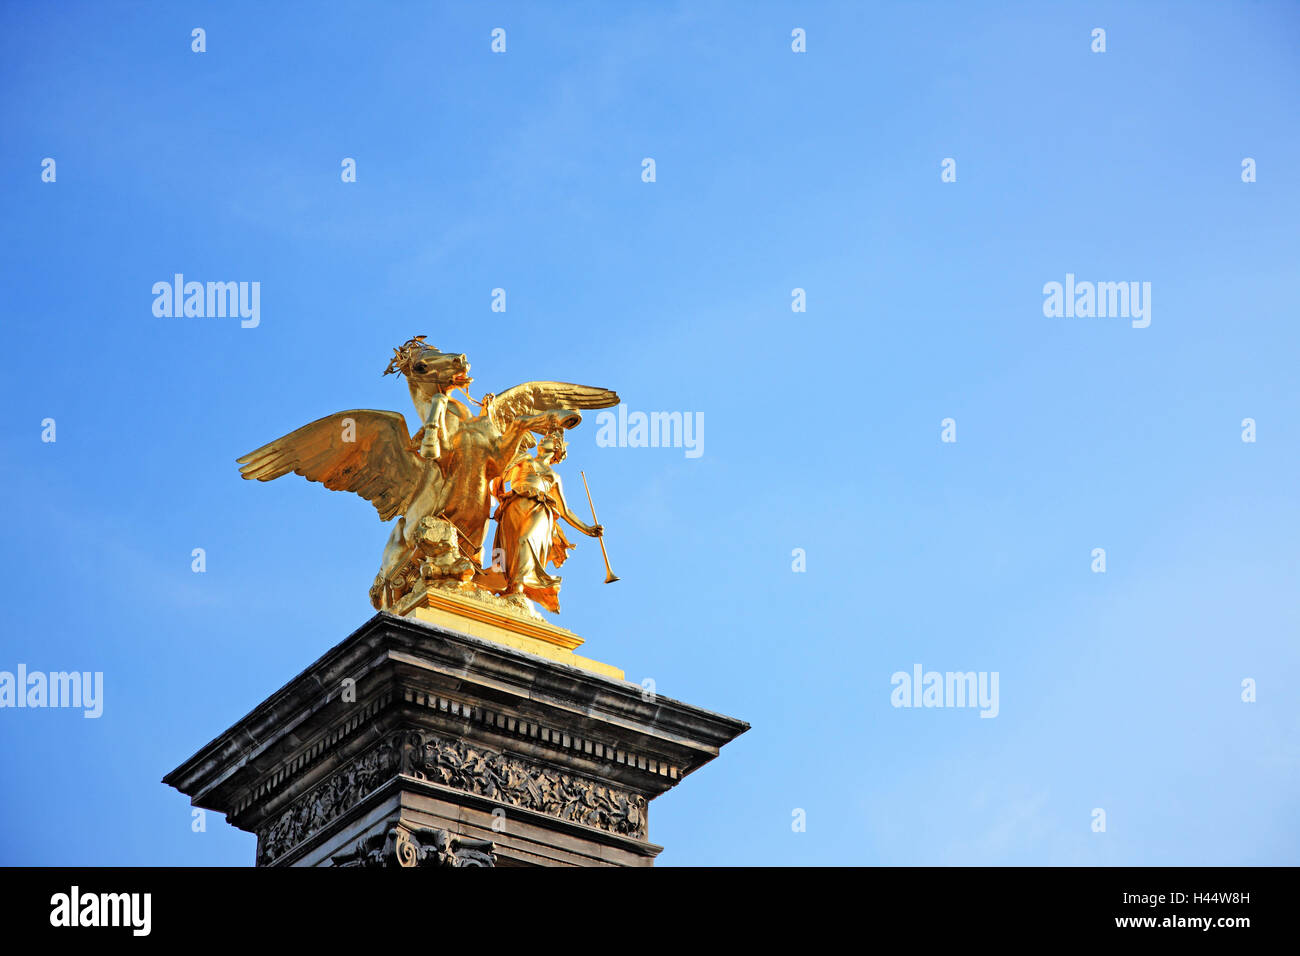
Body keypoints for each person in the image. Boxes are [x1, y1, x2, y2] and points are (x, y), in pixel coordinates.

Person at [489, 430, 602, 613]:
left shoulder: (554, 477)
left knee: (525, 540)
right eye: (544, 438)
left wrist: (588, 529)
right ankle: (509, 587)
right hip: (514, 505)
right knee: (509, 548)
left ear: (557, 449)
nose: (543, 440)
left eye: (548, 439)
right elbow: (499, 471)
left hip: (540, 509)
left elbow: (565, 511)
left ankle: (518, 587)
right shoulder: (524, 459)